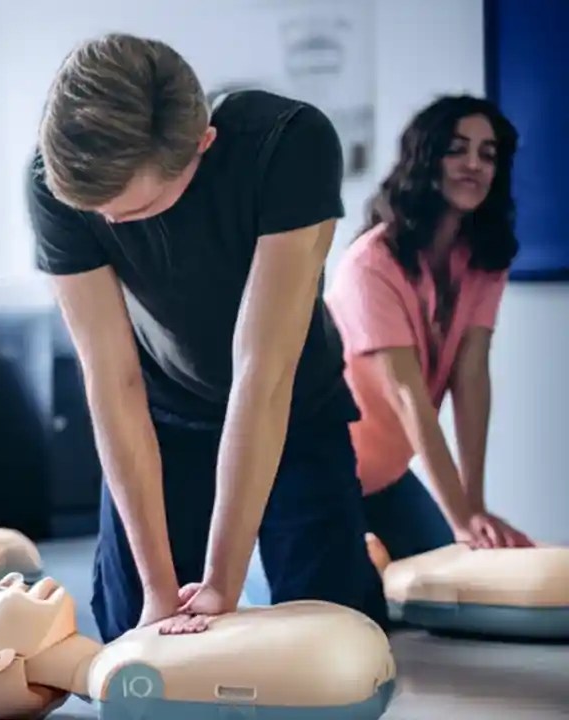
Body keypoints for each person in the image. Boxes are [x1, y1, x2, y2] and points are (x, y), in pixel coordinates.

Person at [26, 33, 386, 643]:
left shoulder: (287, 145)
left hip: (293, 407)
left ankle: (366, 559)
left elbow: (262, 372)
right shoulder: (58, 182)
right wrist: (160, 594)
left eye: (135, 211)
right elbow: (112, 382)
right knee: (129, 627)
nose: (113, 226)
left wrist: (221, 579)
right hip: (163, 412)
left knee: (334, 635)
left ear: (203, 145)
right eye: (100, 213)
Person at [325, 95, 533, 558]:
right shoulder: (370, 263)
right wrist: (462, 522)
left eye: (487, 153)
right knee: (355, 597)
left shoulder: (484, 258)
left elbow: (471, 376)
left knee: (447, 571)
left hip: (387, 472)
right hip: (324, 470)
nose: (473, 164)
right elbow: (406, 396)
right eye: (456, 149)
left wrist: (474, 507)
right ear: (426, 158)